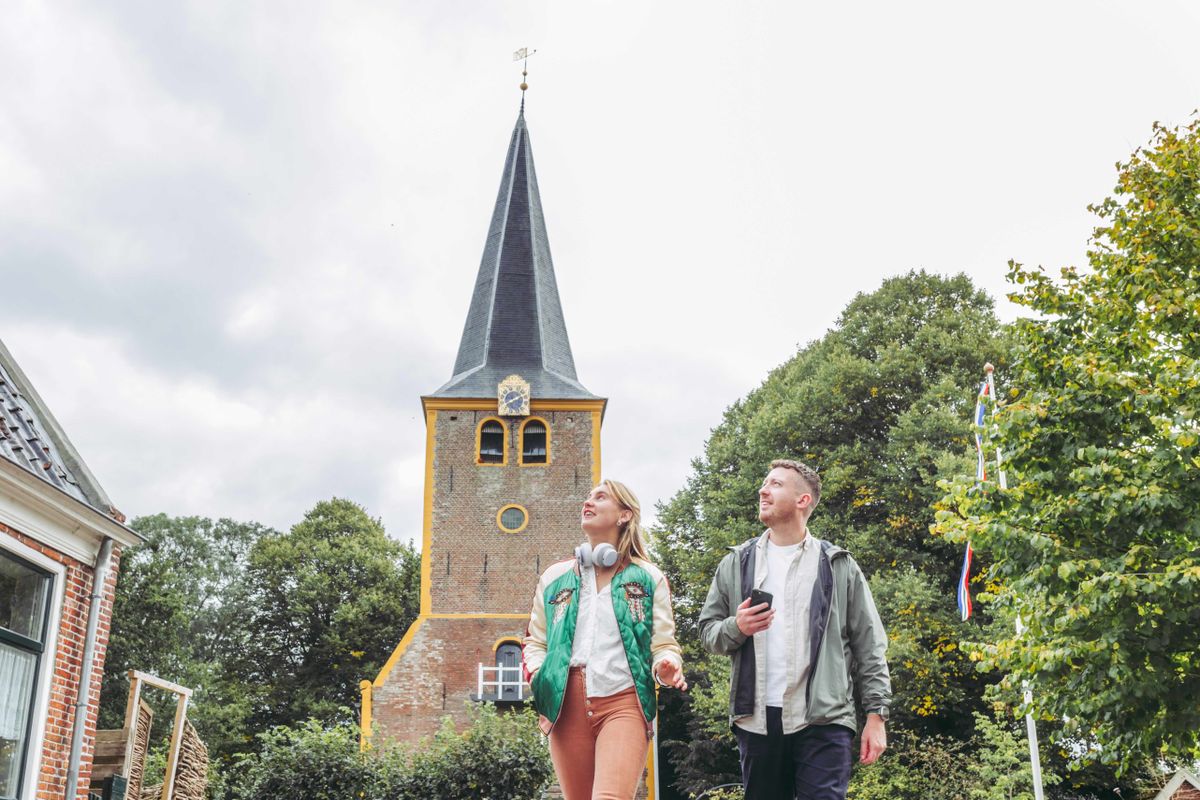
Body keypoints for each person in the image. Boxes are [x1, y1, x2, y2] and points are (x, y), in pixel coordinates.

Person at [698, 459, 891, 800]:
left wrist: (876, 716)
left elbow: (869, 645)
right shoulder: (737, 562)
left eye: (775, 484)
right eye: (764, 482)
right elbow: (708, 634)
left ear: (803, 501)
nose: (763, 489)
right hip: (757, 719)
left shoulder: (838, 565)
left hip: (824, 718)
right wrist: (737, 627)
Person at [524, 479, 686, 800]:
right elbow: (535, 640)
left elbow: (664, 643)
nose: (589, 502)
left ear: (624, 515)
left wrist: (667, 665)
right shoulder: (555, 579)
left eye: (600, 497)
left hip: (623, 701)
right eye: (588, 497)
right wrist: (540, 675)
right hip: (565, 704)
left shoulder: (649, 578)